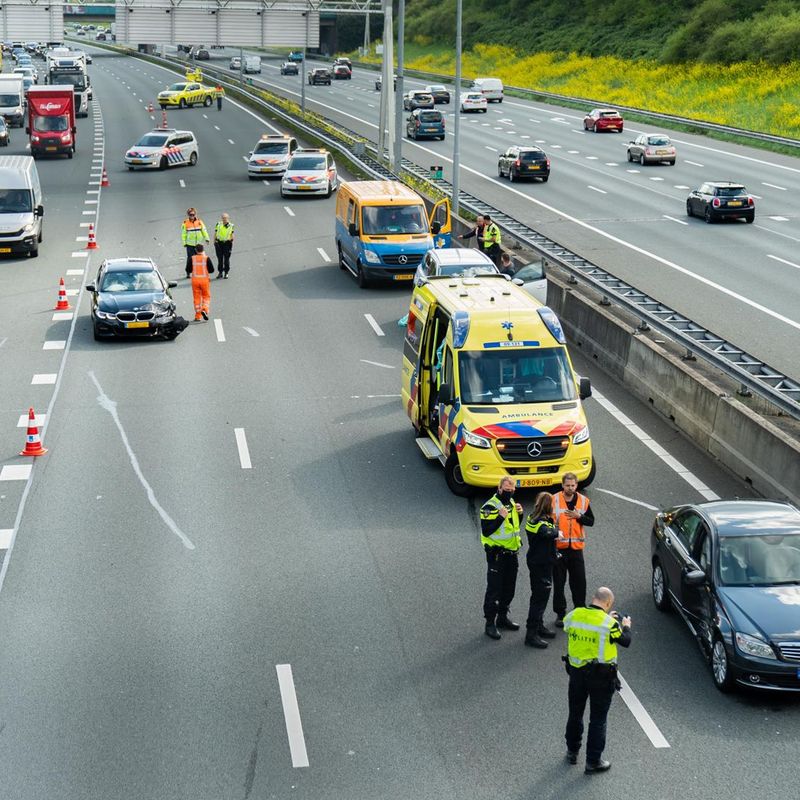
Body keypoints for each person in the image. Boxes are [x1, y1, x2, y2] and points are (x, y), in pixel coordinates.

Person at [563, 586, 631, 773]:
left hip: (576, 674)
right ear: (608, 604)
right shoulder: (609, 624)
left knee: (575, 713)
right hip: (601, 678)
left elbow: (567, 626)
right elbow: (625, 640)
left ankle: (572, 751)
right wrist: (625, 625)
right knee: (598, 719)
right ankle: (593, 761)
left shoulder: (574, 615)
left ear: (593, 598)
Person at [480, 476, 524, 640]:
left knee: (509, 589)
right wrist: (500, 517)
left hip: (512, 554)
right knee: (494, 590)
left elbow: (514, 527)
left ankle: (503, 617)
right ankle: (490, 623)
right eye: (506, 490)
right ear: (499, 489)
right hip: (497, 555)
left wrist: (520, 514)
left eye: (512, 490)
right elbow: (487, 531)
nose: (509, 493)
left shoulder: (511, 503)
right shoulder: (490, 506)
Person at [552, 472, 595, 628]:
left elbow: (591, 521)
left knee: (579, 582)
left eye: (573, 485)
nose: (570, 488)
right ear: (562, 485)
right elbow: (547, 520)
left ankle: (579, 611)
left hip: (576, 549)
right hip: (559, 549)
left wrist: (579, 516)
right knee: (559, 583)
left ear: (576, 485)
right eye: (567, 485)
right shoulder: (554, 500)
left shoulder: (583, 501)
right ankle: (560, 614)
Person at [524, 492, 561, 648]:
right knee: (539, 600)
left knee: (538, 597)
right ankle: (531, 634)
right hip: (542, 564)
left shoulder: (532, 518)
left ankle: (538, 626)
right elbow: (546, 533)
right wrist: (557, 532)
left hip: (536, 561)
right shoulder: (541, 524)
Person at [188, 244, 215, 321]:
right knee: (206, 296)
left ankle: (197, 316)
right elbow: (212, 270)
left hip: (195, 281)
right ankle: (205, 309)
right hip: (204, 281)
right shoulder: (206, 258)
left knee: (197, 298)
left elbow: (188, 269)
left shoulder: (192, 258)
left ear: (195, 250)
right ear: (203, 250)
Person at [181, 208, 209, 274]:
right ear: (188, 215)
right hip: (190, 244)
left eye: (193, 214)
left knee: (200, 258)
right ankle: (188, 271)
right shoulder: (185, 223)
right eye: (190, 215)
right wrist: (184, 243)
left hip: (199, 244)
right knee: (190, 259)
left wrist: (207, 238)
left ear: (195, 214)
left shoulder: (199, 222)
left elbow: (204, 230)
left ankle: (198, 271)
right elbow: (183, 234)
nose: (192, 216)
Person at [214, 212, 234, 278]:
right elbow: (215, 233)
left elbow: (232, 234)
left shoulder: (231, 225)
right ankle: (220, 272)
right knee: (220, 259)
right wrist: (214, 242)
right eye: (223, 218)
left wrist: (231, 240)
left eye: (225, 218)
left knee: (226, 259)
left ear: (228, 218)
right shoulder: (218, 224)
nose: (224, 219)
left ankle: (226, 272)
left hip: (227, 244)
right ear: (221, 218)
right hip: (219, 243)